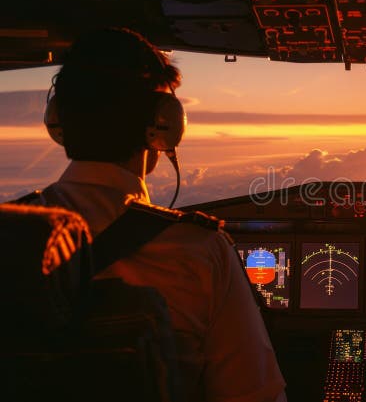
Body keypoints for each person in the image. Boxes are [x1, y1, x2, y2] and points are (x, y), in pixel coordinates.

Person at [28, 28, 286, 402]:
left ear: (58, 122)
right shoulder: (199, 251)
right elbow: (253, 394)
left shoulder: (10, 233)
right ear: (162, 126)